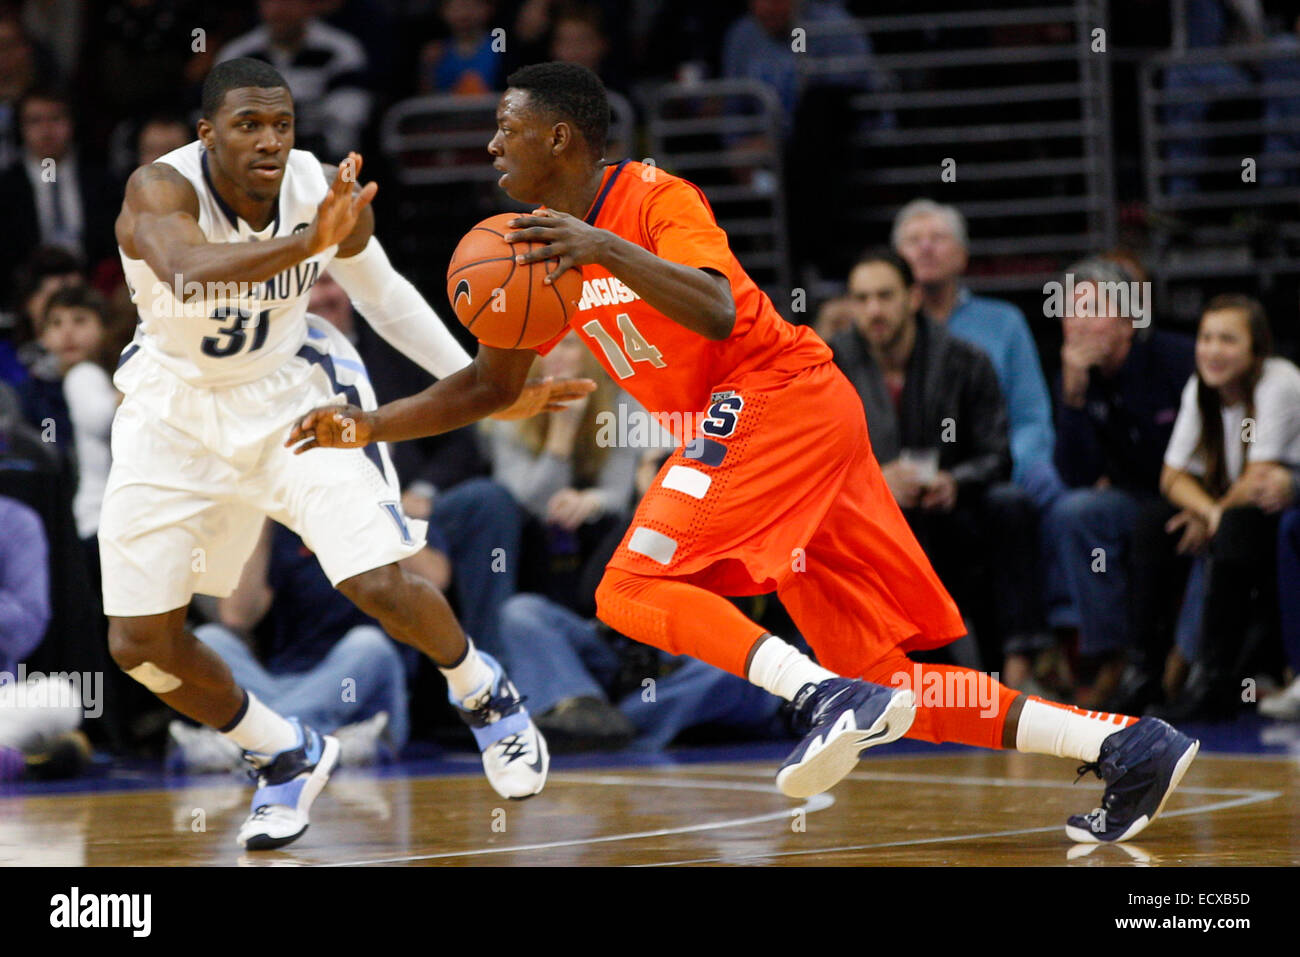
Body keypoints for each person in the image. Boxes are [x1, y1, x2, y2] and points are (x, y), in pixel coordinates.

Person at [290, 62, 1203, 844]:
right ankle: (1122, 745)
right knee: (889, 682)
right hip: (777, 432)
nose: (491, 145)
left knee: (628, 589)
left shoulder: (651, 197)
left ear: (561, 137)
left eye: (506, 128)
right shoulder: (534, 251)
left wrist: (600, 244)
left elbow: (719, 306)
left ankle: (817, 699)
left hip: (777, 396)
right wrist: (367, 426)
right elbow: (489, 388)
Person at [104, 57, 590, 850]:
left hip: (293, 393)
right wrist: (306, 245)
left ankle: (483, 690)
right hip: (172, 410)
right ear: (206, 135)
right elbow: (188, 275)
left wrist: (490, 383)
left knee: (373, 578)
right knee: (136, 644)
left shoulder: (320, 188)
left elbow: (383, 294)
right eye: (247, 125)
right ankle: (282, 752)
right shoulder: (159, 189)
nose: (269, 140)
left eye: (282, 124)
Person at [1154, 295, 1300, 720]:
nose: (1213, 350)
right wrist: (1210, 511)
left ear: (1257, 350)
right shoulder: (1201, 386)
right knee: (1156, 527)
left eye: (1228, 340)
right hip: (1240, 512)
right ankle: (1147, 669)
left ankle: (1211, 676)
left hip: (1280, 507)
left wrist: (1212, 514)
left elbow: (1258, 478)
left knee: (1233, 529)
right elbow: (1171, 477)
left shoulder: (1280, 380)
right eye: (1206, 337)